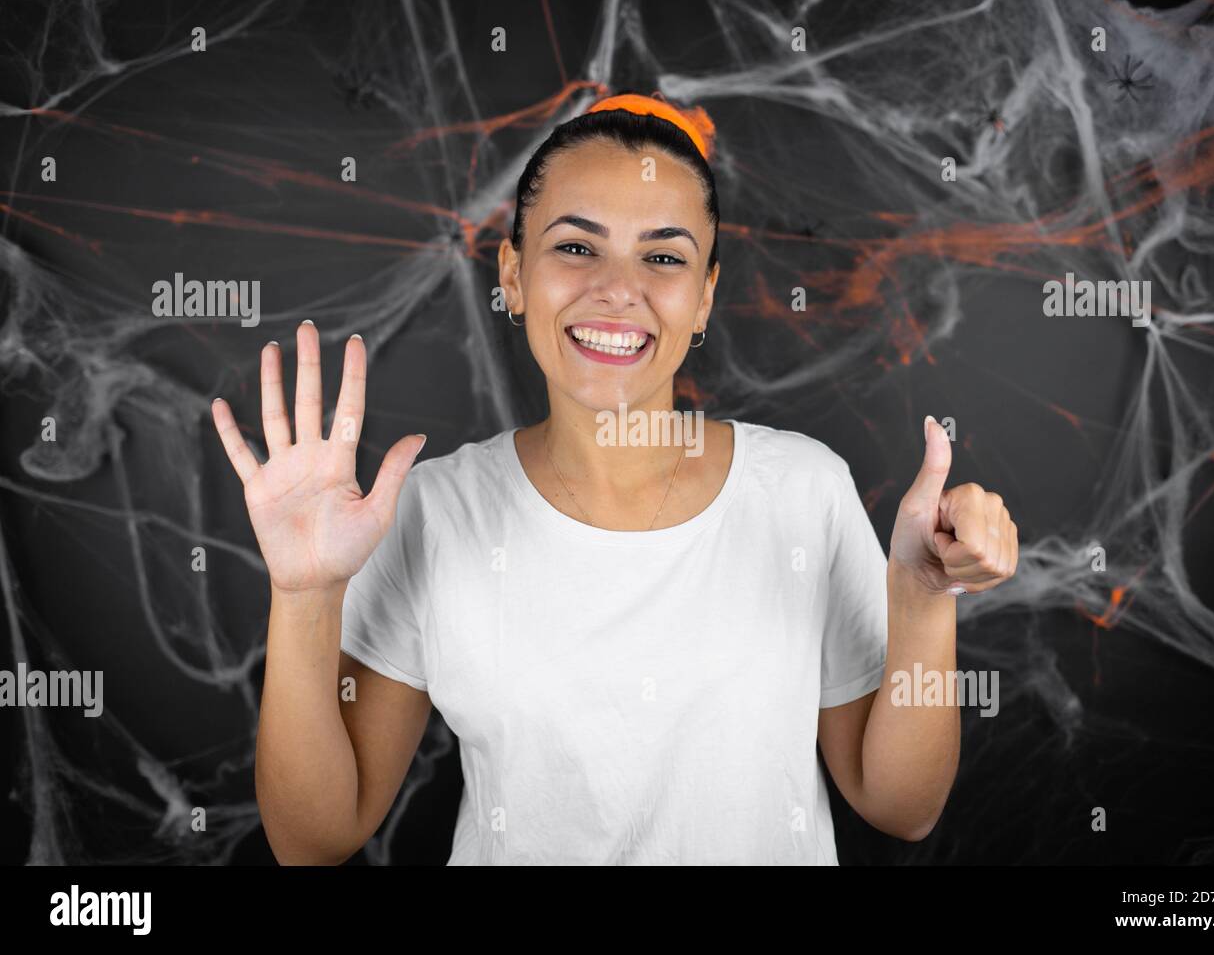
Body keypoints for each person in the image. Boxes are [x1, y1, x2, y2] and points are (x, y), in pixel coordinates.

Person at [210, 92, 1019, 865]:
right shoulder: (432, 512)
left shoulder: (803, 489)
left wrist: (920, 598)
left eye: (663, 257)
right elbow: (313, 843)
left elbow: (901, 806)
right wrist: (306, 596)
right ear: (514, 276)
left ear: (703, 298)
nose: (618, 291)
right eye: (574, 246)